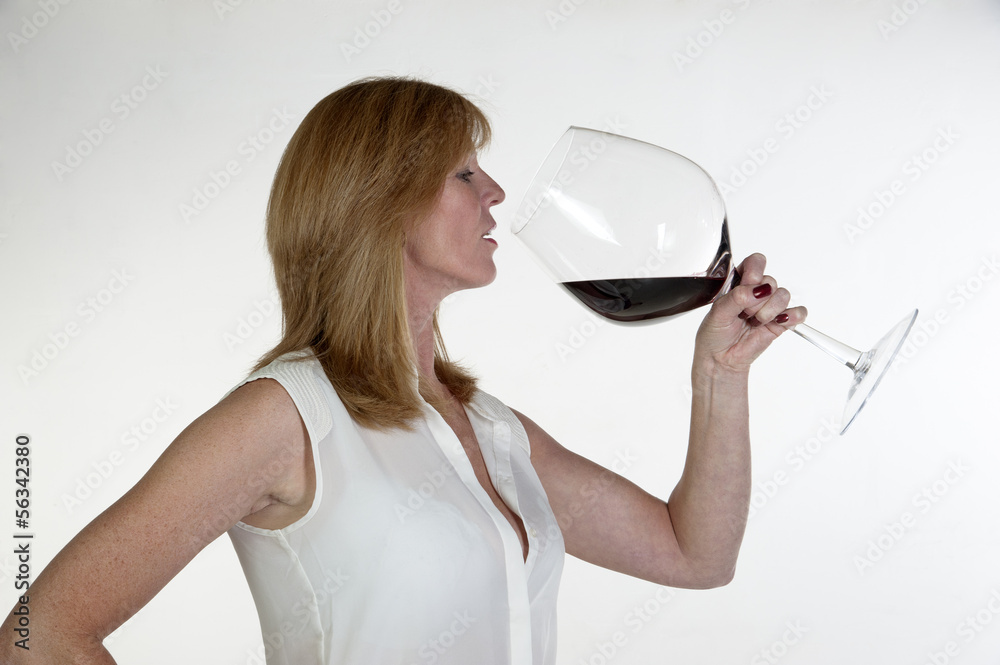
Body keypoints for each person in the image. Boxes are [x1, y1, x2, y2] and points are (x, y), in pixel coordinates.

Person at [0, 76, 806, 665]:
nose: (494, 192)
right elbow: (38, 636)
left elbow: (693, 554)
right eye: (464, 174)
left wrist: (721, 376)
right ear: (379, 202)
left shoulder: (489, 428)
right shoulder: (285, 418)